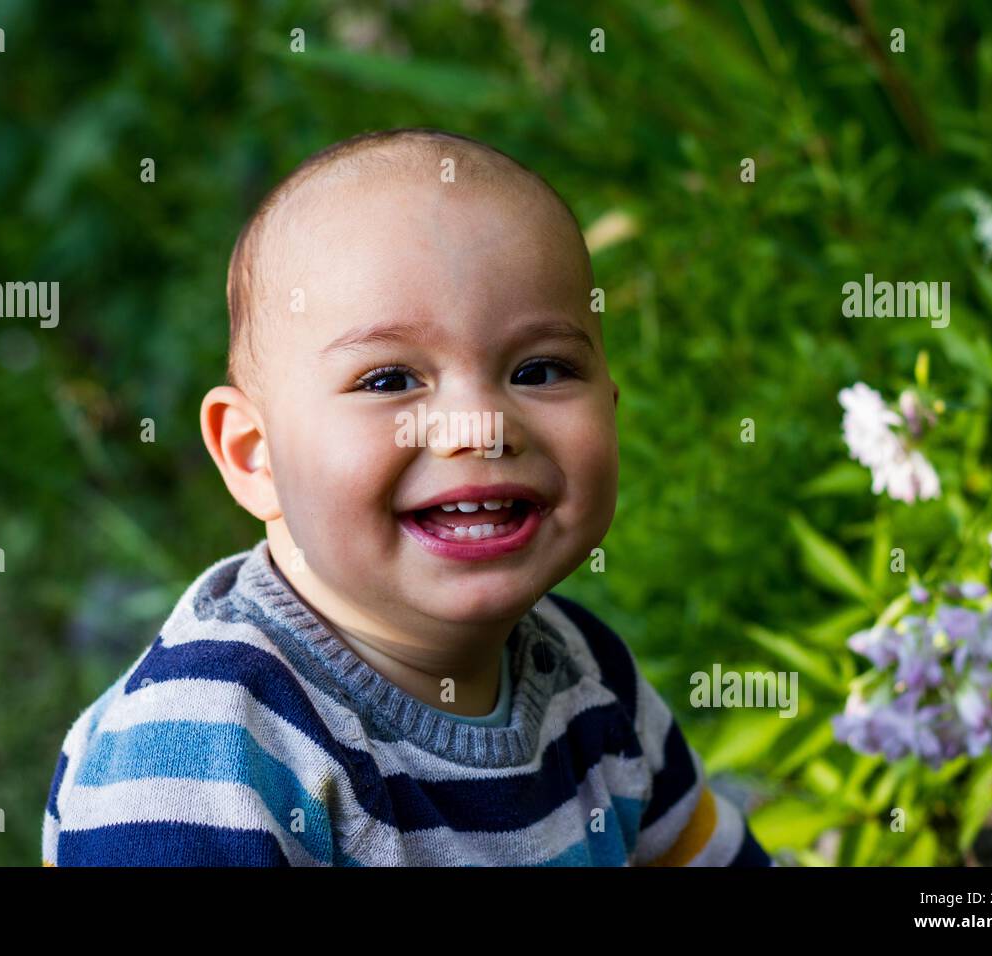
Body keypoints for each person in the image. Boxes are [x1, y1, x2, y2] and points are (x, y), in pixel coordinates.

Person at [41, 127, 772, 866]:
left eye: (541, 370)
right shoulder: (205, 753)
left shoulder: (589, 679)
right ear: (255, 454)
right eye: (389, 380)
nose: (480, 427)